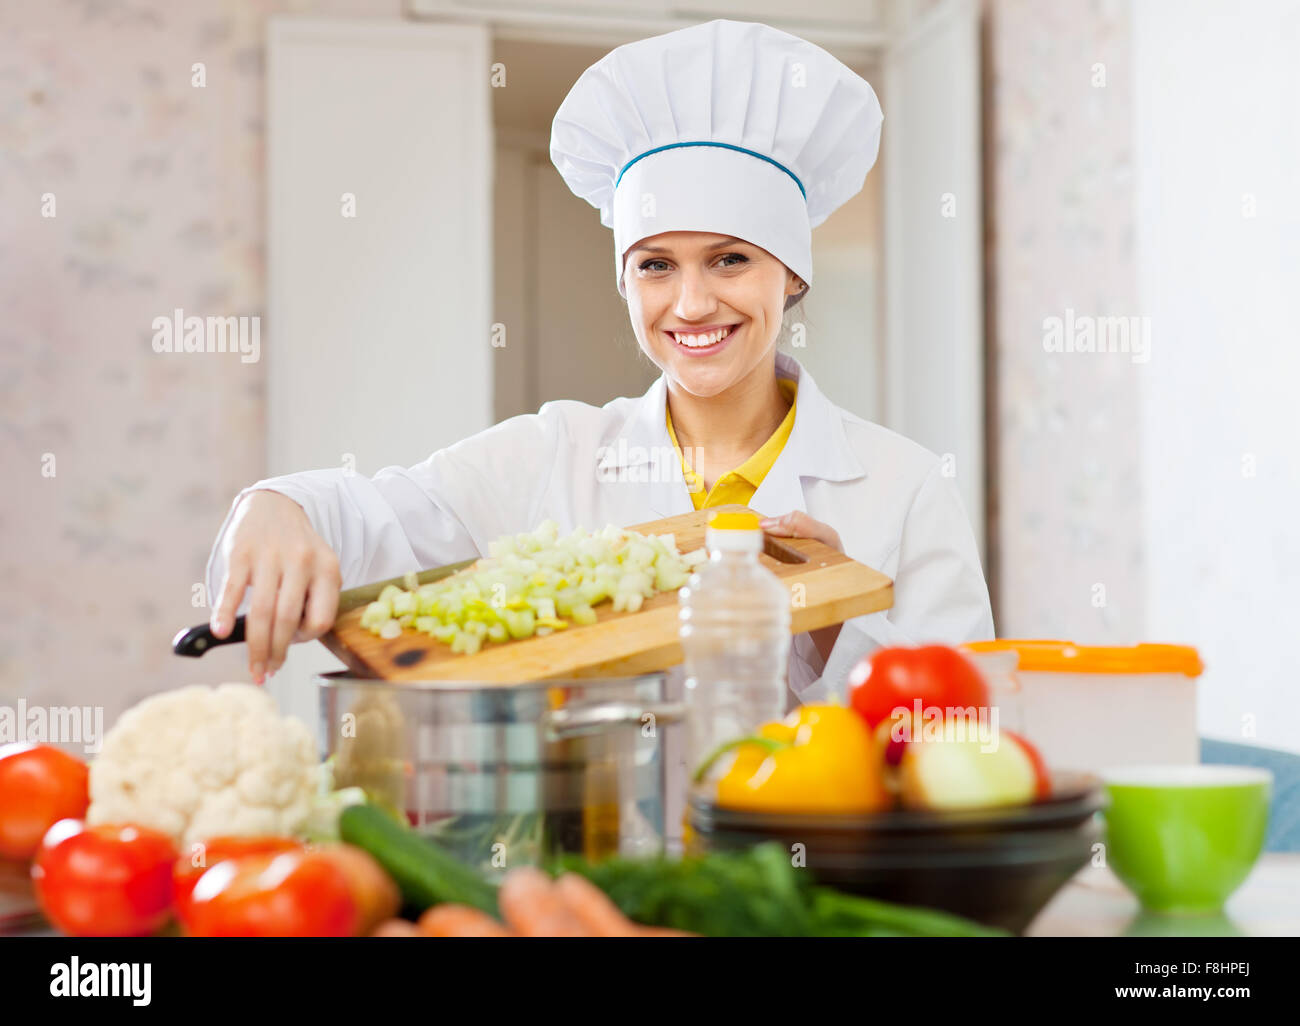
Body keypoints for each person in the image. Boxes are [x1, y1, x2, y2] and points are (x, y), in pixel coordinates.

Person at [205, 19, 994, 702]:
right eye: (655, 265)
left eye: (729, 261)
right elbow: (381, 520)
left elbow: (964, 737)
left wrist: (828, 624)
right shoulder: (556, 454)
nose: (690, 305)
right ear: (624, 280)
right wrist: (275, 505)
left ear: (791, 275)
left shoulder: (906, 489)